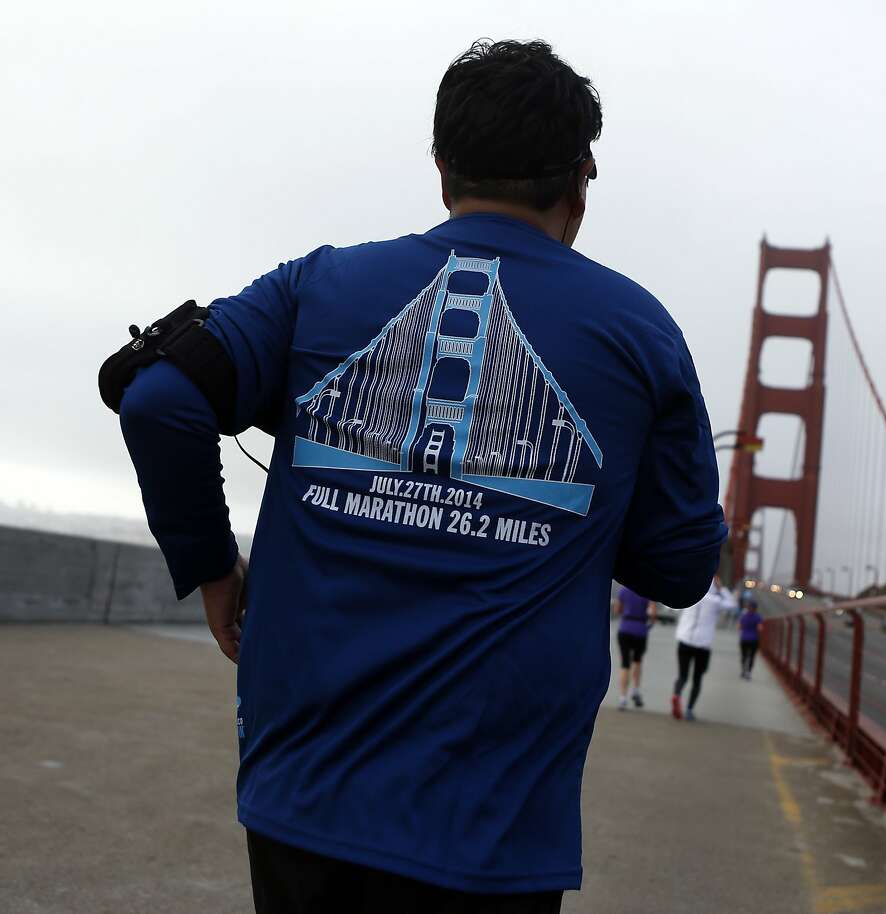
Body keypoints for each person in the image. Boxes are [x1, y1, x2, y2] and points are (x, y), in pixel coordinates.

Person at [112, 39, 726, 914]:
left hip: (302, 797)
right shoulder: (641, 334)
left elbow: (157, 402)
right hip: (497, 827)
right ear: (580, 183)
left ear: (442, 170)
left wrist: (212, 569)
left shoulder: (315, 286)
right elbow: (681, 567)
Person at [671, 576, 734, 721]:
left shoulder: (689, 595)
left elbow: (673, 607)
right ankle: (689, 710)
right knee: (697, 679)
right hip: (703, 644)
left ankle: (676, 694)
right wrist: (722, 589)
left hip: (684, 639)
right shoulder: (715, 601)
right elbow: (732, 605)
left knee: (682, 675)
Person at [613, 586, 656, 709]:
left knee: (625, 664)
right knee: (637, 661)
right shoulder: (647, 590)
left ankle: (622, 698)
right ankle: (635, 690)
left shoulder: (623, 590)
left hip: (625, 628)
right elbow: (653, 613)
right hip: (640, 630)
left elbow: (617, 610)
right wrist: (649, 625)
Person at [738, 598, 764, 679]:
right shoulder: (758, 617)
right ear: (756, 608)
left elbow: (739, 627)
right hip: (754, 639)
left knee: (744, 655)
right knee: (752, 656)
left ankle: (743, 670)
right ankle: (748, 672)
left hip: (744, 639)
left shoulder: (744, 616)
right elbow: (760, 629)